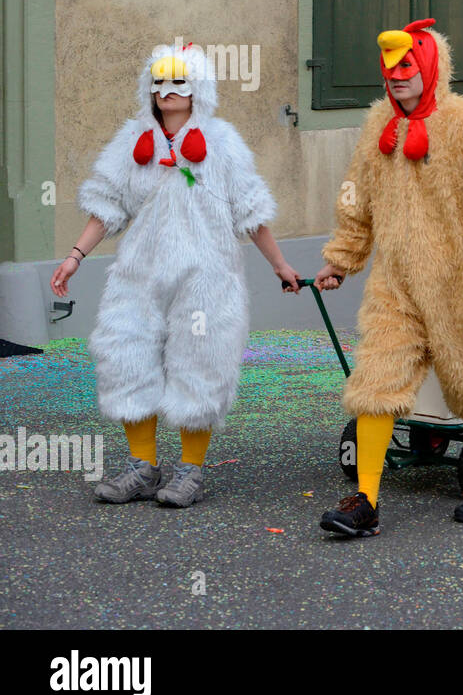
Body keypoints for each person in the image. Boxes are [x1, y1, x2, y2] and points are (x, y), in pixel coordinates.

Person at [315, 19, 463, 537]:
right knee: (375, 382)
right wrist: (341, 259)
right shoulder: (376, 127)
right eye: (389, 71)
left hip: (461, 285)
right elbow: (355, 200)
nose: (396, 78)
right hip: (393, 286)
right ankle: (365, 500)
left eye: (407, 68)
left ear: (430, 68)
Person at [52, 42, 298, 507]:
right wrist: (74, 256)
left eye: (178, 82)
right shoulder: (130, 143)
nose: (167, 91)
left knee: (200, 365)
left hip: (206, 276)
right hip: (139, 274)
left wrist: (280, 265)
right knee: (126, 355)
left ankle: (190, 472)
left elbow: (251, 210)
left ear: (197, 89)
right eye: (159, 82)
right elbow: (106, 205)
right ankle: (142, 467)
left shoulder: (222, 144)